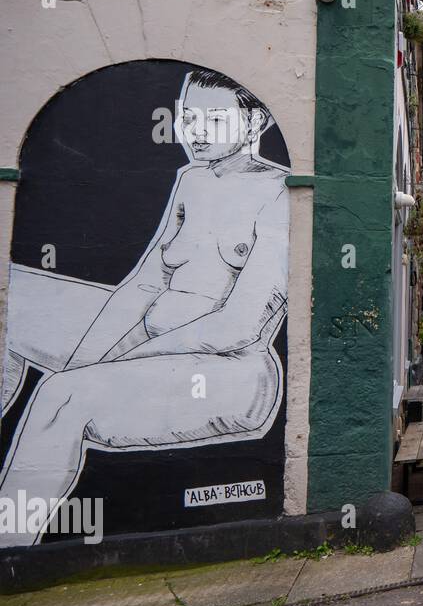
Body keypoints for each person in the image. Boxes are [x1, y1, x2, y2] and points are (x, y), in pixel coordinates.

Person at [0, 67, 289, 546]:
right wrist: (94, 355)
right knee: (17, 300)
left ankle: (10, 545)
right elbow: (141, 286)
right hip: (150, 342)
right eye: (187, 117)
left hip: (232, 374)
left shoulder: (279, 194)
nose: (194, 131)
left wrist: (127, 354)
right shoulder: (191, 181)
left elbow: (237, 324)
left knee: (61, 396)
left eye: (213, 120)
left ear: (256, 123)